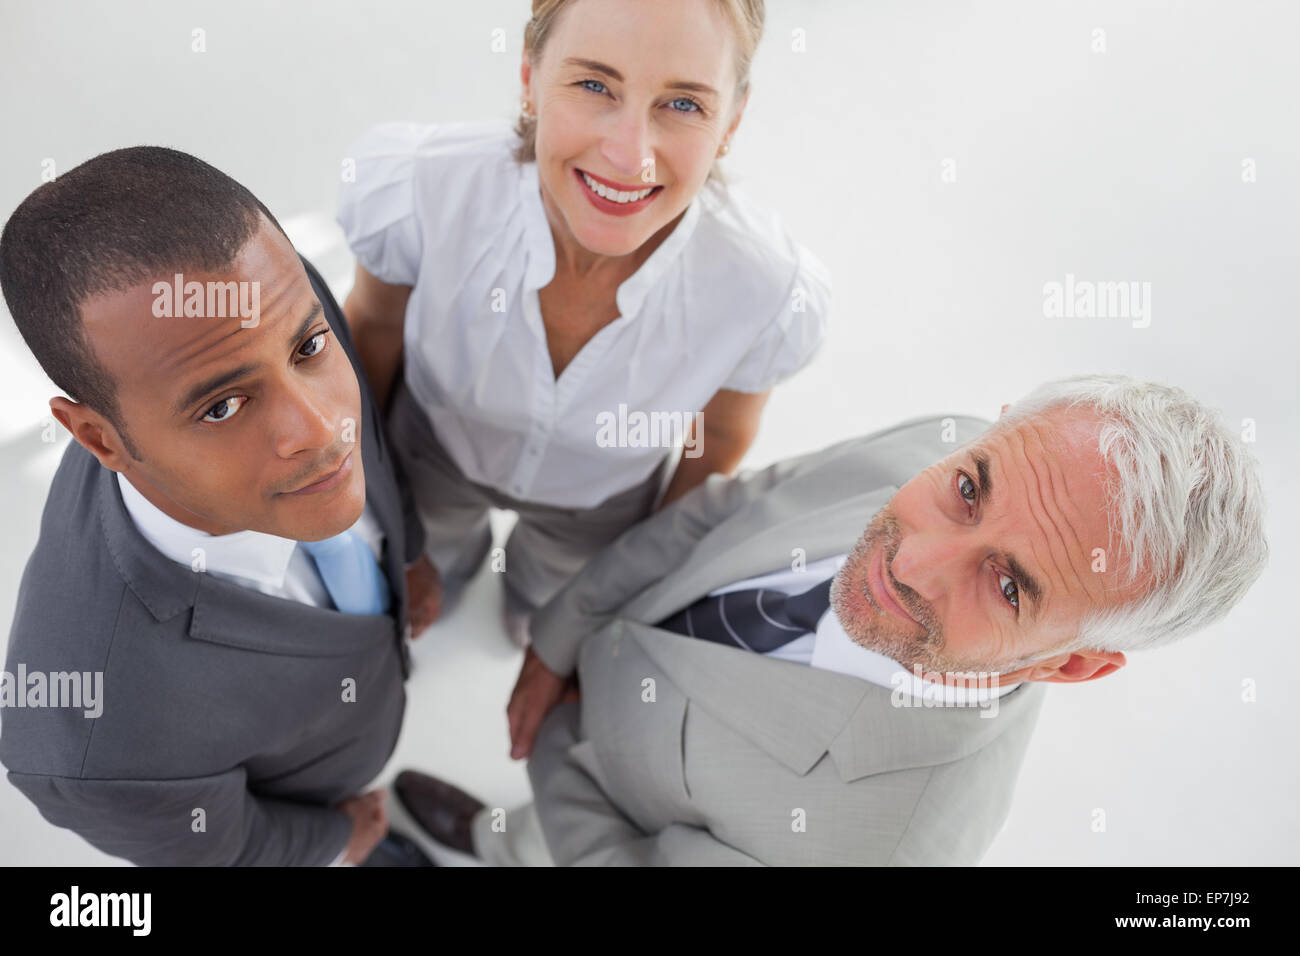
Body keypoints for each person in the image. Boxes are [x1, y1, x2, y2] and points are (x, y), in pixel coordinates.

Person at [394, 374, 1269, 865]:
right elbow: (724, 511)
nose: (911, 562)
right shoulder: (943, 434)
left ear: (1072, 666)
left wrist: (555, 750)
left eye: (1010, 587)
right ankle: (492, 835)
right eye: (968, 489)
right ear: (986, 432)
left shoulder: (875, 849)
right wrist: (562, 635)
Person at [337, 0, 829, 643]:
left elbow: (719, 433)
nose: (630, 157)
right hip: (432, 448)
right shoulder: (424, 187)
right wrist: (385, 528)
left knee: (539, 617)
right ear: (529, 77)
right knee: (434, 575)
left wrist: (631, 590)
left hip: (601, 500)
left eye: (683, 104)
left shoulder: (763, 286)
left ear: (731, 119)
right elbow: (370, 331)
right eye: (594, 84)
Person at [0, 147, 440, 866]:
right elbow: (225, 850)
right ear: (96, 437)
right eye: (224, 406)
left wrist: (410, 555)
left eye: (308, 350)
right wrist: (340, 838)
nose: (323, 430)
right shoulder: (89, 738)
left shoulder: (273, 309)